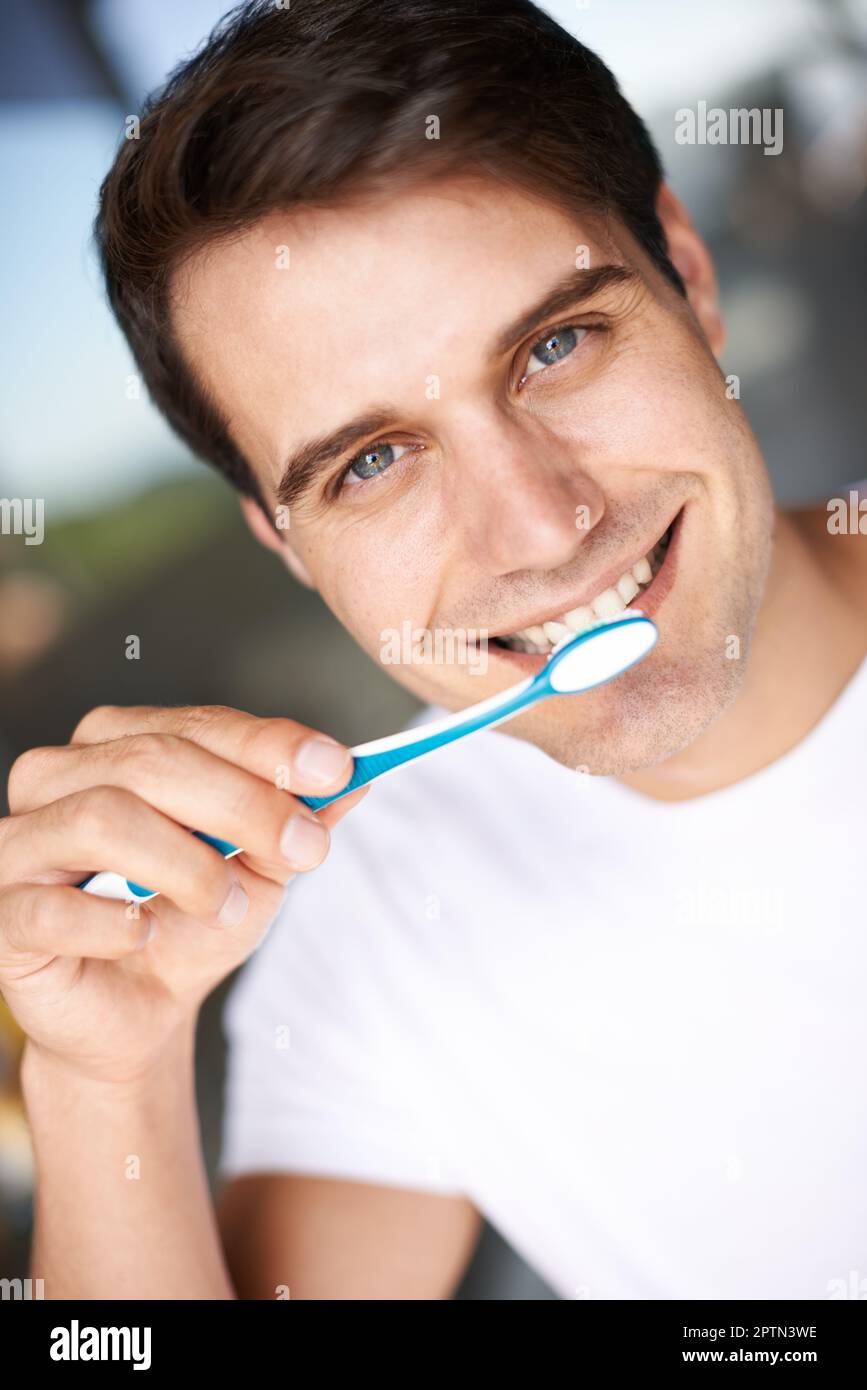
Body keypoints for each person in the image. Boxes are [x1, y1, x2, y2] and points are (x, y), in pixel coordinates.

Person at [1, 0, 864, 1300]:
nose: (541, 526)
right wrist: (97, 1079)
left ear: (687, 273)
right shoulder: (378, 921)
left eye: (555, 346)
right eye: (374, 461)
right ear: (286, 543)